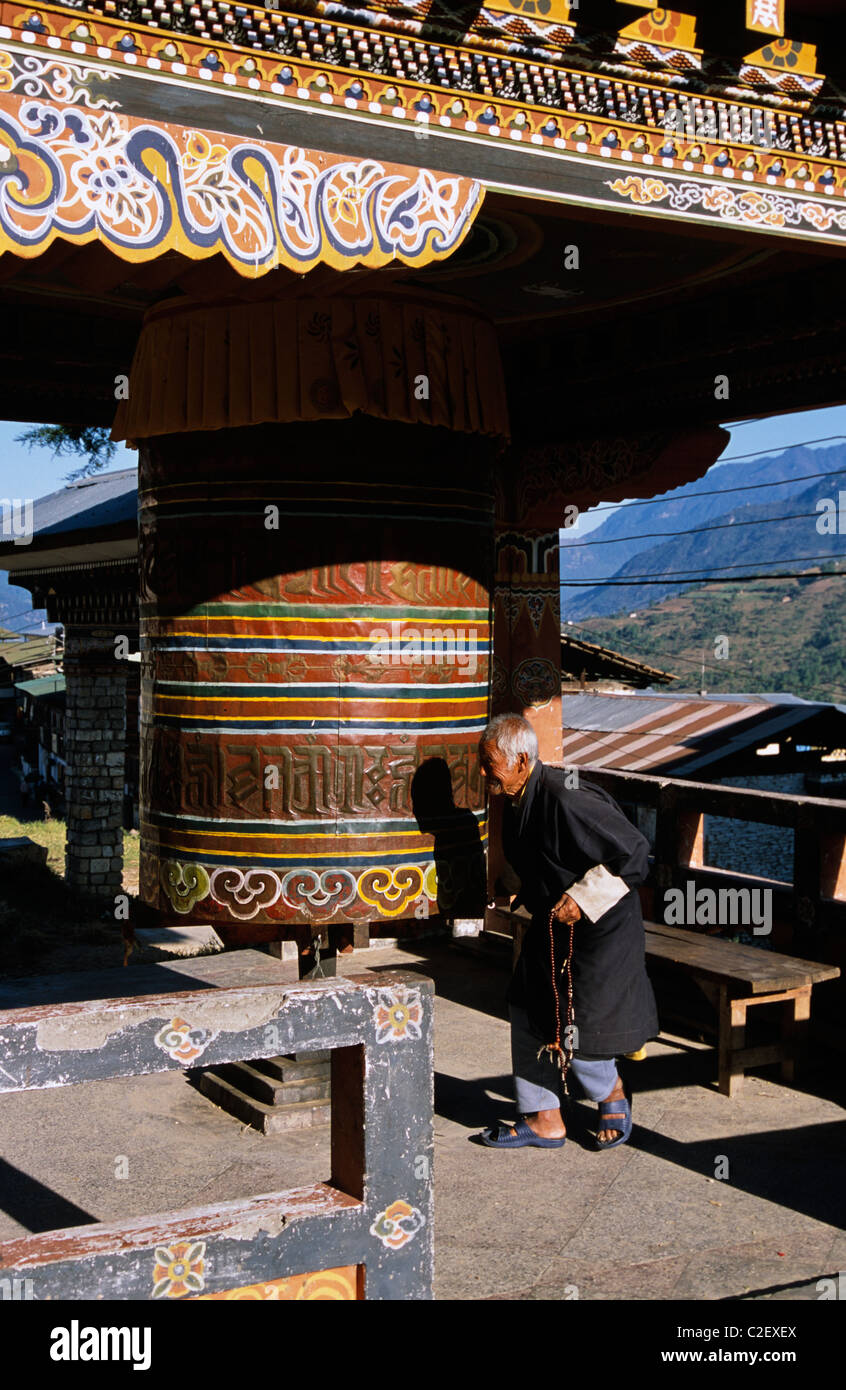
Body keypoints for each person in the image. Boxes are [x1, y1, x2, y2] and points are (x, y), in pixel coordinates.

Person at [476, 713, 658, 1150]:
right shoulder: (518, 799)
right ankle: (544, 1117)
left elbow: (634, 854)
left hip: (601, 930)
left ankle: (610, 1094)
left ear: (521, 762)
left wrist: (581, 898)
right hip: (553, 923)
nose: (484, 774)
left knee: (584, 1031)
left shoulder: (567, 798)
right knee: (527, 1009)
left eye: (490, 763)